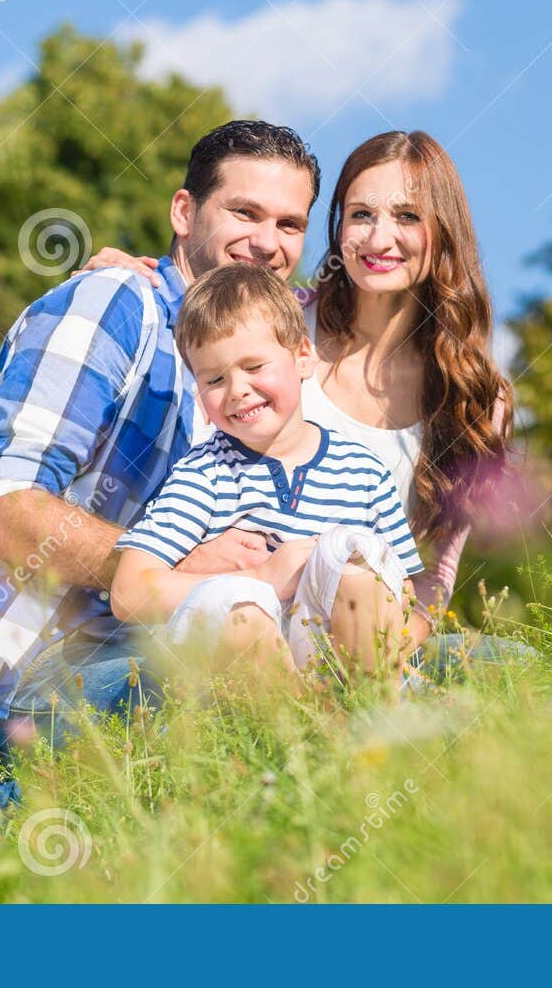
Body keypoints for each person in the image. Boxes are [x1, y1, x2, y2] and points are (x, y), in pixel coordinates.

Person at [0, 120, 320, 807]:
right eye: (245, 212)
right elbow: (4, 513)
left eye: (289, 223)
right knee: (264, 707)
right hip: (25, 678)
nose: (268, 241)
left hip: (156, 650)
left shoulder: (251, 372)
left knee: (469, 671)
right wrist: (166, 566)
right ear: (184, 212)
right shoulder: (115, 304)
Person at [86, 130, 528, 680]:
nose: (379, 237)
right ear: (339, 225)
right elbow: (202, 308)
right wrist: (133, 278)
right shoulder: (277, 323)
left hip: (371, 633)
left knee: (517, 667)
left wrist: (378, 651)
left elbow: (434, 579)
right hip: (244, 618)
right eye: (361, 214)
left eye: (408, 216)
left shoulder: (475, 396)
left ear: (443, 233)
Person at [111, 262, 424, 688]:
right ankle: (291, 736)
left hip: (336, 661)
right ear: (200, 395)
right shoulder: (205, 472)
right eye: (215, 378)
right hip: (240, 680)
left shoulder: (364, 471)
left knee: (353, 553)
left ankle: (368, 718)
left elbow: (404, 598)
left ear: (302, 357)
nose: (237, 389)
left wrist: (391, 629)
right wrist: (262, 578)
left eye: (254, 367)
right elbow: (129, 593)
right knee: (240, 604)